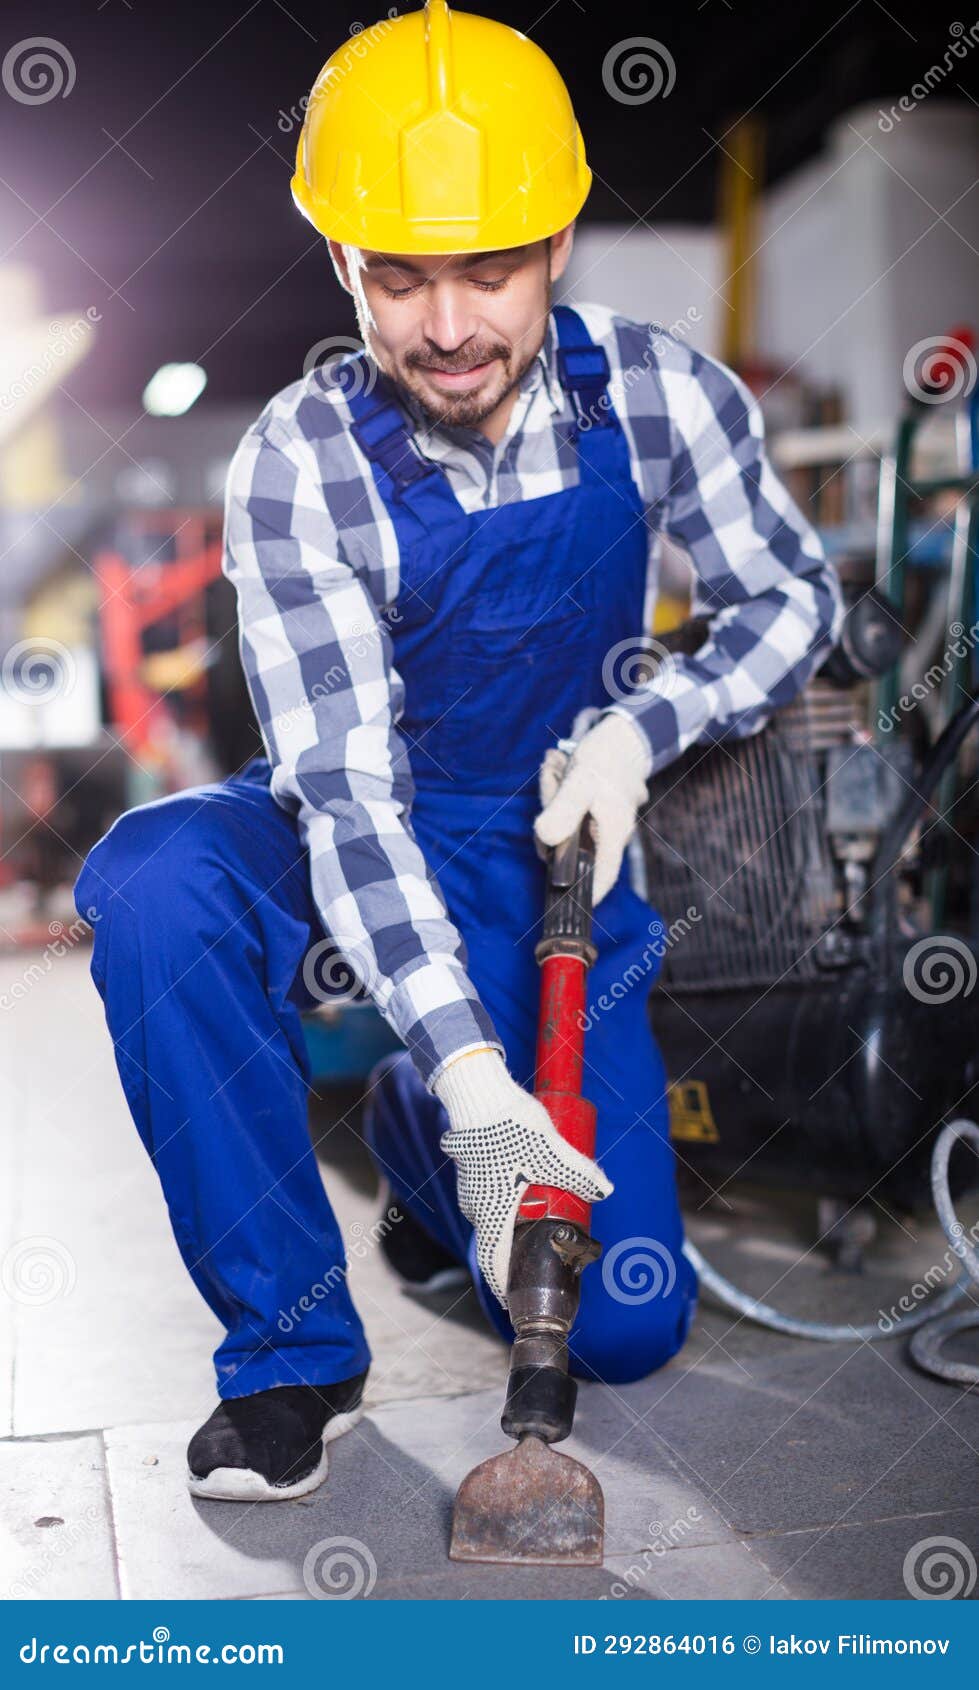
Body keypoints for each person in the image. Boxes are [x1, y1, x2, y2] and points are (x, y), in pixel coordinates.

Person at [74, 0, 842, 1501]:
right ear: (342, 265)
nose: (446, 326)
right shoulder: (302, 456)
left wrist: (642, 724)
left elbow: (792, 599)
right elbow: (347, 794)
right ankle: (293, 1353)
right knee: (155, 880)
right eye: (397, 276)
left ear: (557, 242)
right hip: (353, 810)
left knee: (618, 1327)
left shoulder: (661, 393)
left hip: (554, 837)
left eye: (487, 269)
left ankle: (422, 1159)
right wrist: (488, 1081)